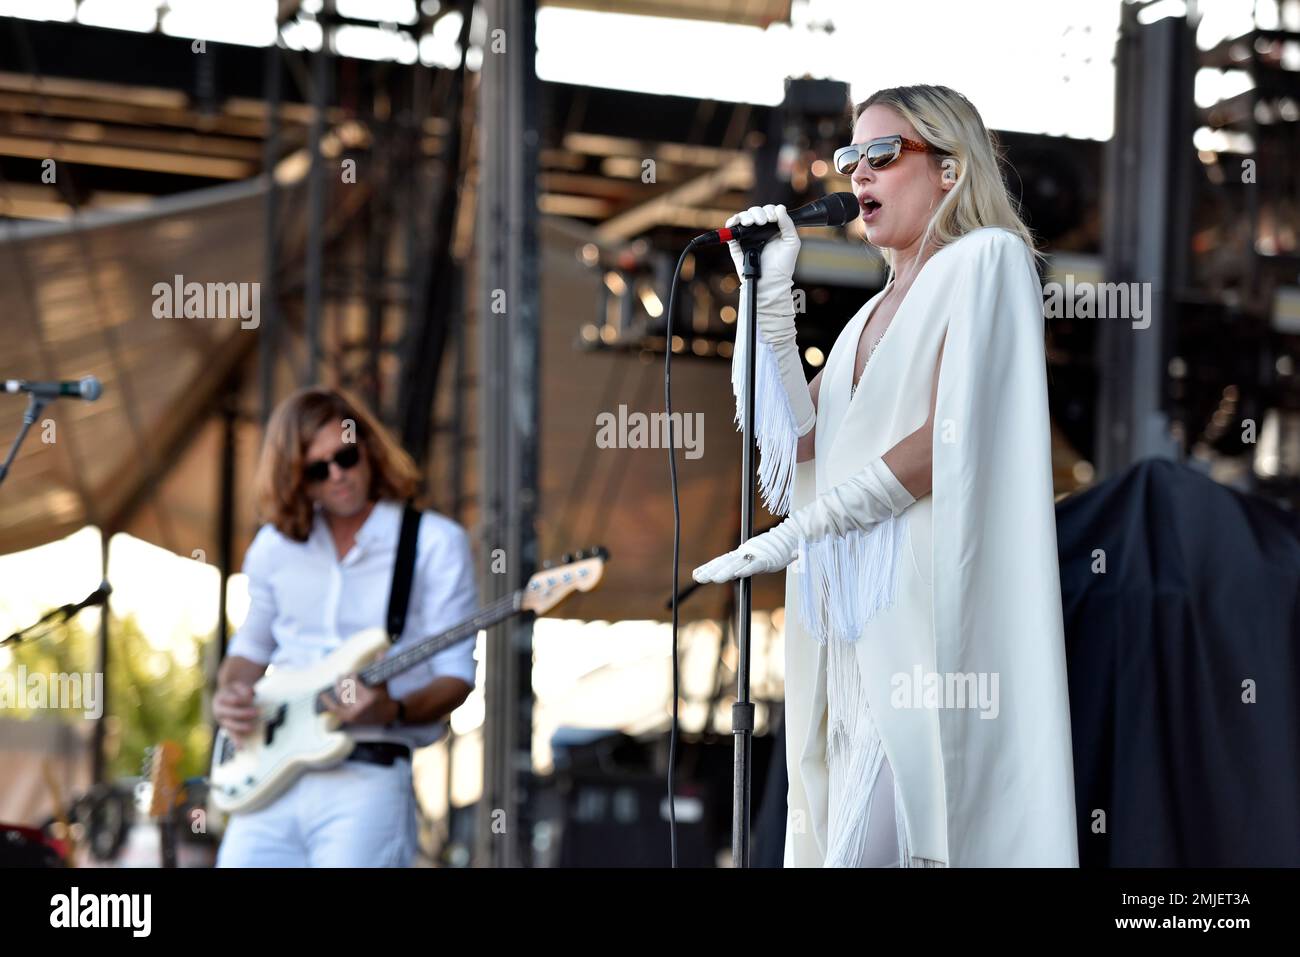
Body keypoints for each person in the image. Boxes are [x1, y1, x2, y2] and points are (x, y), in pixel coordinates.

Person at [694, 85, 1078, 867]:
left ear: (948, 168)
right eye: (849, 157)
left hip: (923, 644)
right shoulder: (864, 320)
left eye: (882, 153)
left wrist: (804, 530)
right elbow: (797, 447)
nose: (857, 174)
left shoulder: (986, 261)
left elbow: (950, 438)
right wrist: (767, 303)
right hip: (852, 648)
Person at [213, 386, 477, 867]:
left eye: (346, 457)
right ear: (294, 477)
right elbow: (249, 650)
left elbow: (456, 677)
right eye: (317, 469)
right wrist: (229, 693)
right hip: (268, 780)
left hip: (367, 776)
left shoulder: (436, 542)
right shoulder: (273, 547)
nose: (337, 475)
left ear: (370, 450)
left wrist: (390, 710)